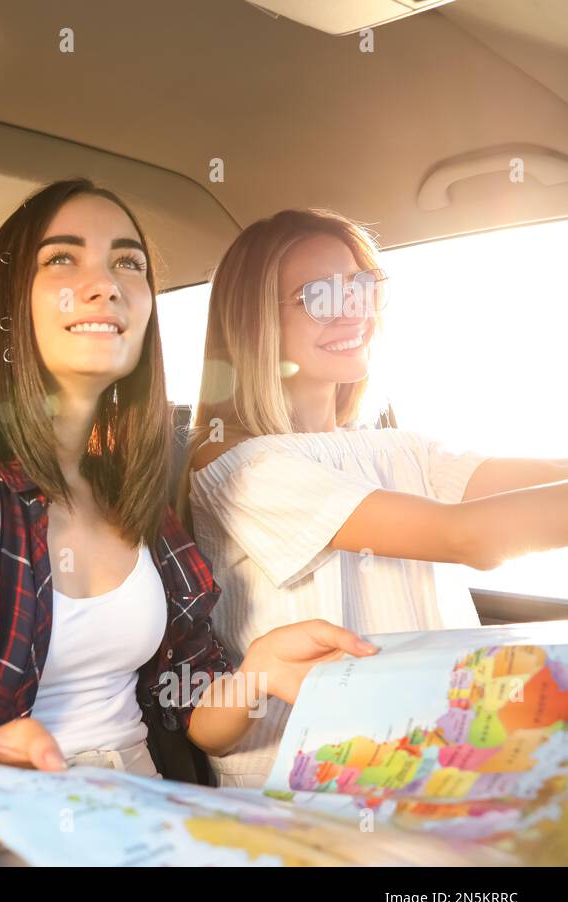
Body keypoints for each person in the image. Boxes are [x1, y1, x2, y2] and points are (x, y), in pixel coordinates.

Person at [0, 181, 376, 866]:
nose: (105, 285)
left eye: (128, 263)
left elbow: (197, 716)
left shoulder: (135, 496)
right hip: (20, 840)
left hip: (157, 820)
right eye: (63, 261)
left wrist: (260, 673)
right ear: (11, 310)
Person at [183, 208, 568, 788]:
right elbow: (468, 536)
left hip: (425, 756)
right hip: (312, 782)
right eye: (318, 295)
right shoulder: (241, 466)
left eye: (361, 286)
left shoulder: (395, 447)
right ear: (255, 322)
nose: (352, 308)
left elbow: (524, 483)